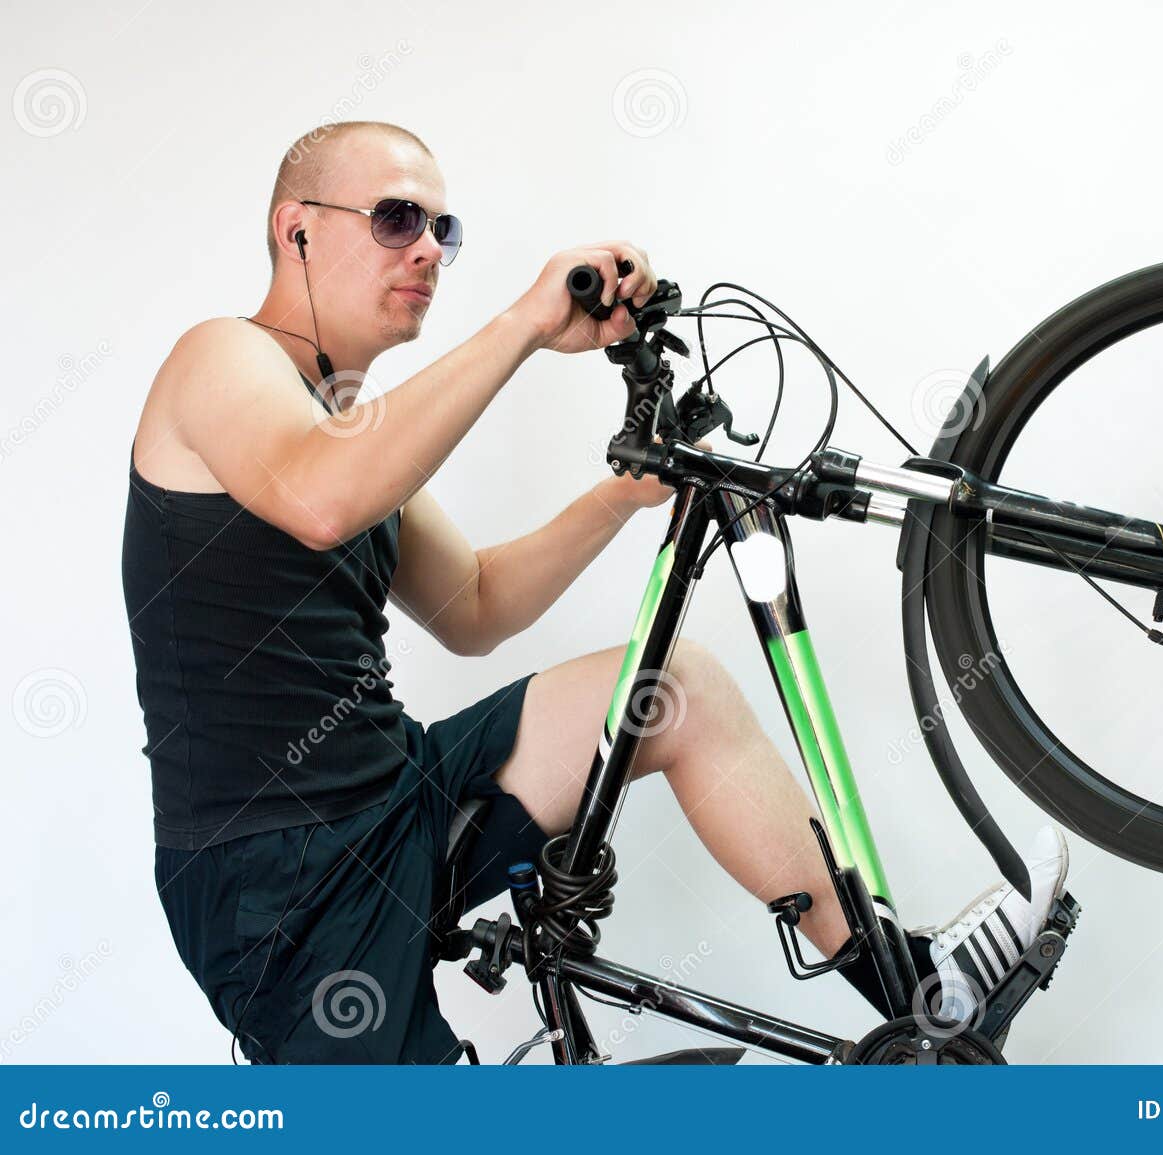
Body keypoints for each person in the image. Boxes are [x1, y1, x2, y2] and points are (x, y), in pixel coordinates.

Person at [121, 120, 1072, 1063]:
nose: (427, 252)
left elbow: (476, 605)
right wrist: (526, 324)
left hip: (398, 798)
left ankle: (922, 991)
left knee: (677, 691)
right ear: (296, 229)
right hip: (271, 879)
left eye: (443, 233)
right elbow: (321, 499)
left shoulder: (344, 430)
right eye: (398, 218)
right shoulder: (220, 359)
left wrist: (628, 491)